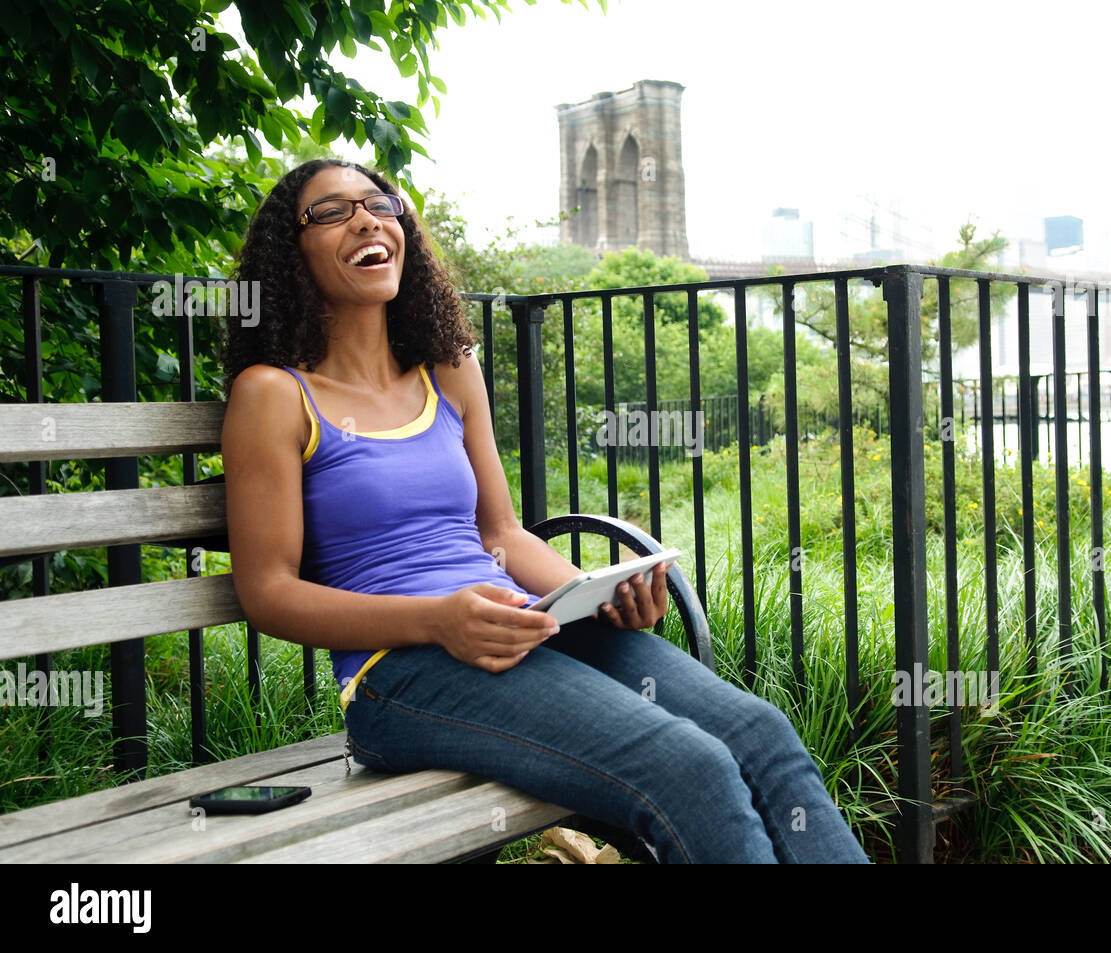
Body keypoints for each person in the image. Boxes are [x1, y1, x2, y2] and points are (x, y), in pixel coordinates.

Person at [219, 158, 870, 864]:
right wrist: (437, 620)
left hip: (527, 624)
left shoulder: (448, 370)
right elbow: (268, 592)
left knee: (759, 733)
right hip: (401, 672)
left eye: (380, 203)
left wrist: (593, 595)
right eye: (334, 211)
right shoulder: (275, 396)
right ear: (293, 252)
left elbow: (499, 533)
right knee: (692, 767)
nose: (368, 220)